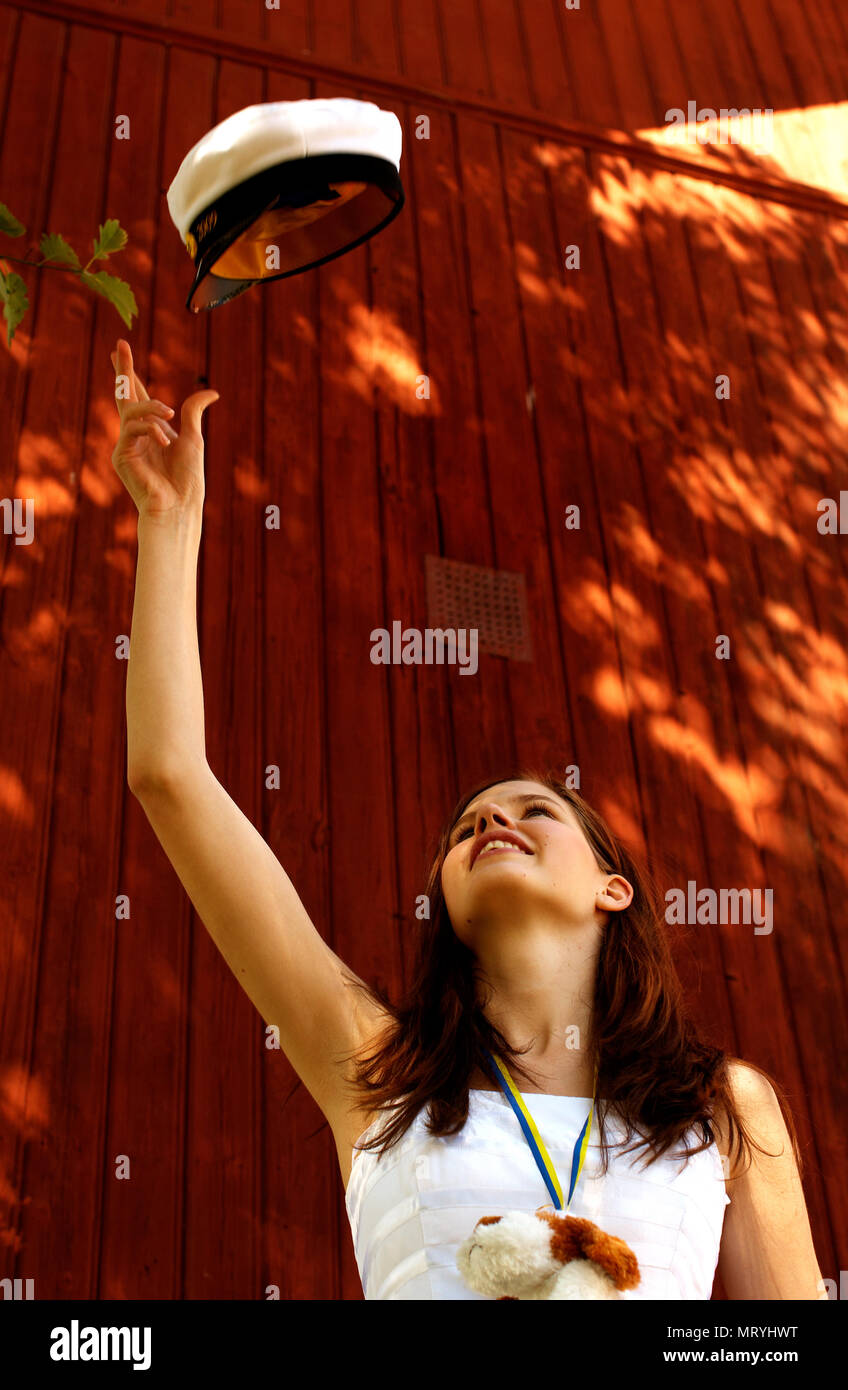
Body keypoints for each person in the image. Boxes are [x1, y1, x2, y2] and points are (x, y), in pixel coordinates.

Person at [110, 340, 826, 1301]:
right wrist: (170, 520)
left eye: (537, 811)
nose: (492, 822)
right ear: (444, 900)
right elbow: (169, 776)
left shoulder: (726, 1108)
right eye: (465, 829)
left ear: (614, 888)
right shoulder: (372, 1065)